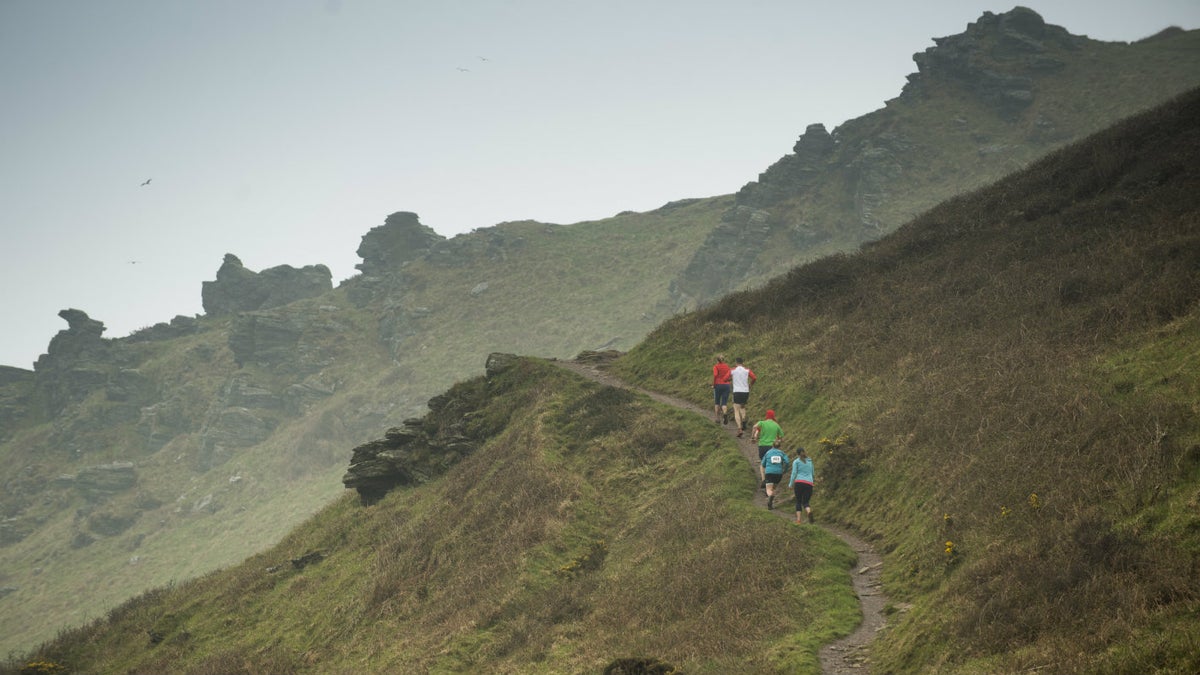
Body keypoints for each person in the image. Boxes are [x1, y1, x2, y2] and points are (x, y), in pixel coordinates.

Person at [729, 357, 756, 437]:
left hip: (737, 391)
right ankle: (744, 419)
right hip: (745, 391)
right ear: (742, 362)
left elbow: (725, 378)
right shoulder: (747, 370)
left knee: (736, 410)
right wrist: (750, 384)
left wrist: (729, 380)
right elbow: (754, 377)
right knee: (742, 407)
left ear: (736, 362)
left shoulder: (733, 370)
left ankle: (739, 429)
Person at [760, 439, 789, 510]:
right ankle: (771, 501)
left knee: (769, 489)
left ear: (772, 445)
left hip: (769, 472)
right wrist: (785, 470)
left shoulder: (768, 453)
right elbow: (787, 462)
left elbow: (763, 464)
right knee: (773, 488)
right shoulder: (782, 453)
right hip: (778, 473)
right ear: (780, 446)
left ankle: (770, 496)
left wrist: (763, 475)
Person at [790, 447, 815, 524]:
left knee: (798, 501)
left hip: (799, 482)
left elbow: (794, 473)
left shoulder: (796, 462)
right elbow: (813, 474)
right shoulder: (810, 462)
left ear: (797, 454)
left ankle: (798, 520)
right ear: (804, 452)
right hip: (809, 483)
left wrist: (791, 484)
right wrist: (812, 481)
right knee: (806, 502)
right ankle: (808, 512)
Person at [711, 355, 732, 424]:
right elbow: (730, 375)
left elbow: (715, 375)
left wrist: (713, 384)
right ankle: (725, 414)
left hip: (718, 385)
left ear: (717, 360)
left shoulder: (716, 367)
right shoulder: (727, 366)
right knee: (724, 403)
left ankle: (717, 419)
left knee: (717, 402)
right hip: (726, 385)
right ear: (724, 360)